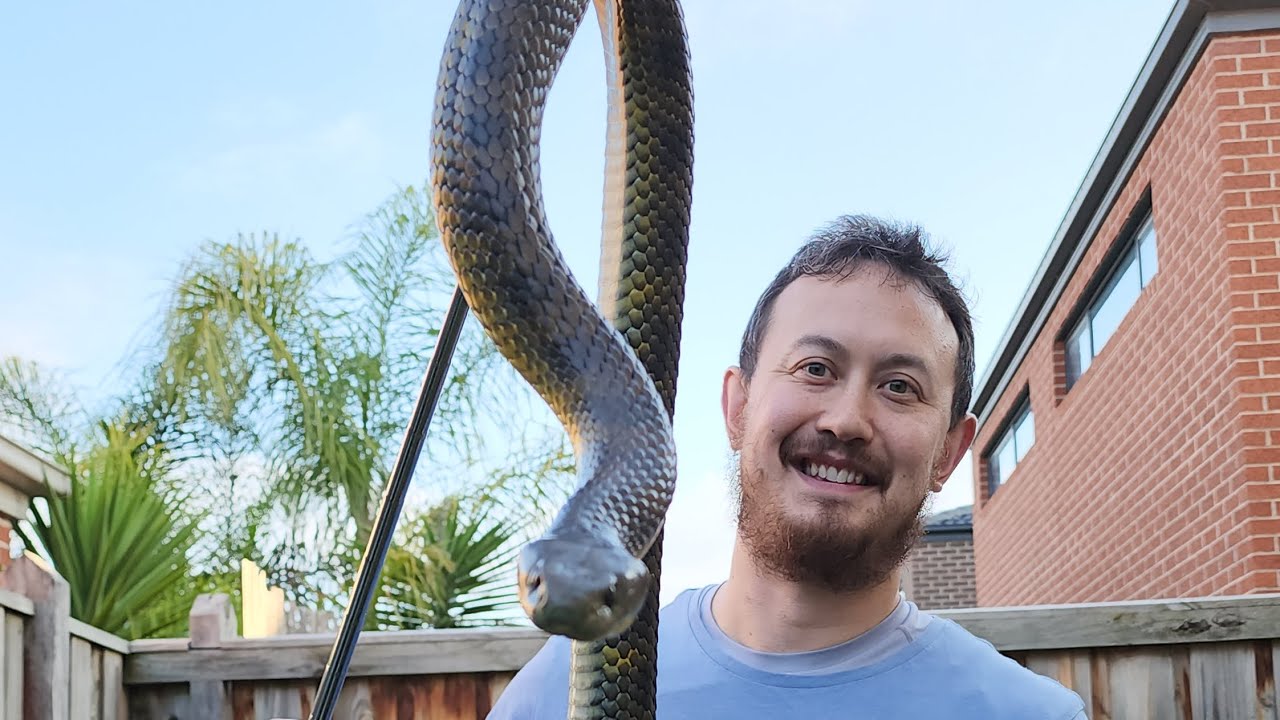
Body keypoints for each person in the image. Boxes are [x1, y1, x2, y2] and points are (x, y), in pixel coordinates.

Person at [487, 215, 1087, 718]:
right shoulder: (558, 698)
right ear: (737, 408)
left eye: (900, 386)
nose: (846, 419)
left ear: (949, 454)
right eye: (815, 369)